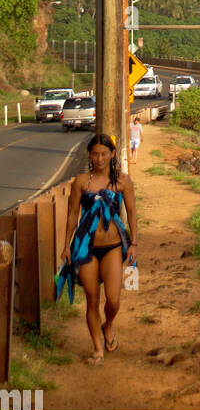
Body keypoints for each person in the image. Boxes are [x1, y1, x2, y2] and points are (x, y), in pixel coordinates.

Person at [55, 133, 137, 364]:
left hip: (112, 247)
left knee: (113, 300)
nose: (99, 158)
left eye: (104, 154)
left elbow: (131, 213)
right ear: (89, 155)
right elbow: (72, 215)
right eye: (95, 154)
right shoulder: (81, 182)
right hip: (86, 248)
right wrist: (66, 247)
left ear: (112, 155)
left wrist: (134, 244)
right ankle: (97, 348)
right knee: (92, 299)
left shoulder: (122, 181)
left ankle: (108, 325)